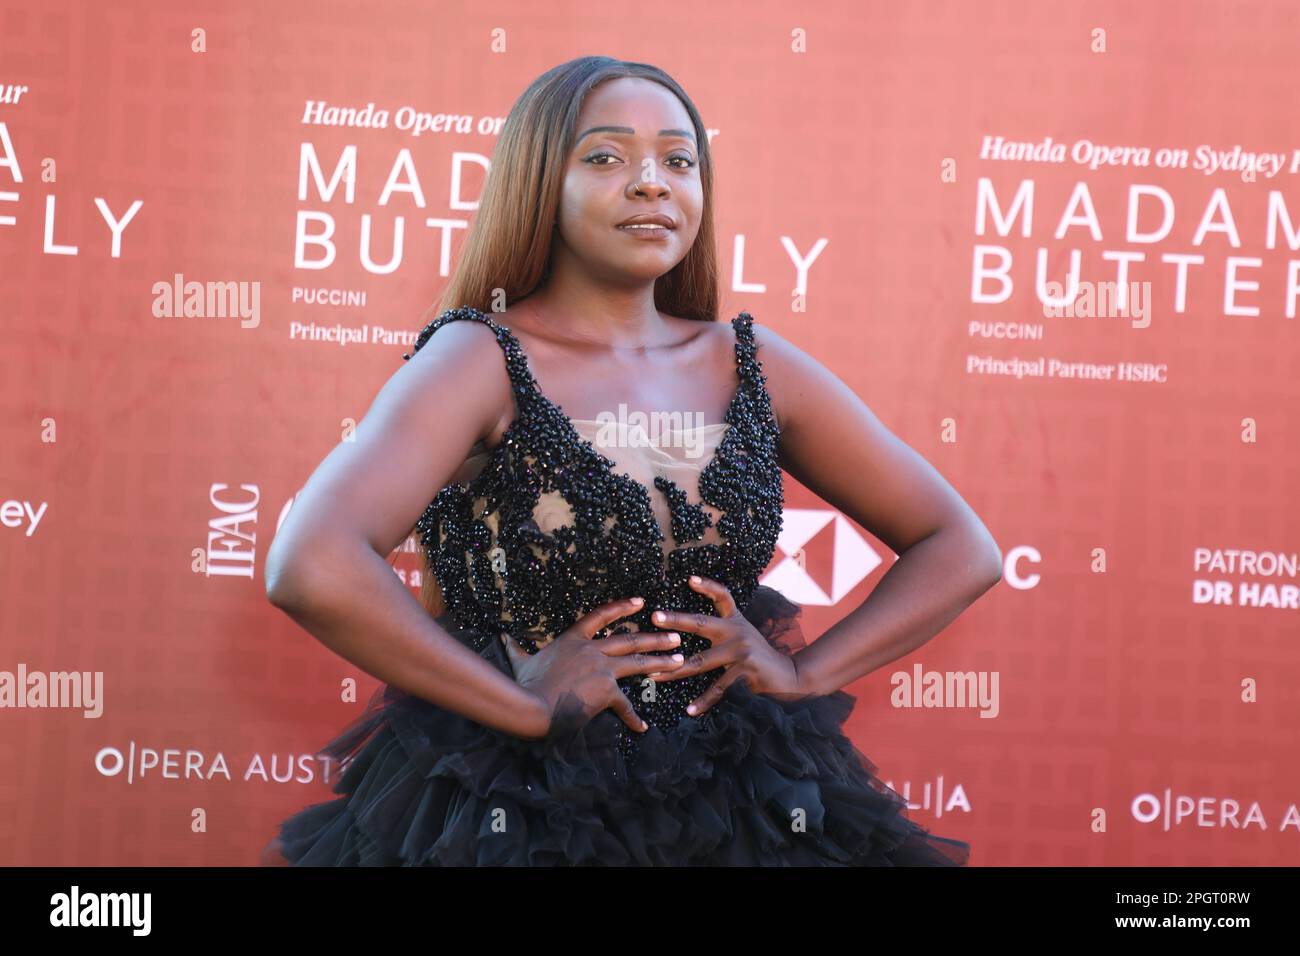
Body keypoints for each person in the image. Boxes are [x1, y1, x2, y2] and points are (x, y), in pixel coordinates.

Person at [260, 55, 1001, 866]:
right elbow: (313, 564)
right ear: (542, 182)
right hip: (516, 808)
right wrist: (522, 707)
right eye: (607, 157)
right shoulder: (479, 360)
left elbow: (959, 545)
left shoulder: (750, 362)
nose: (651, 183)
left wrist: (803, 672)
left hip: (744, 805)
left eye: (678, 160)